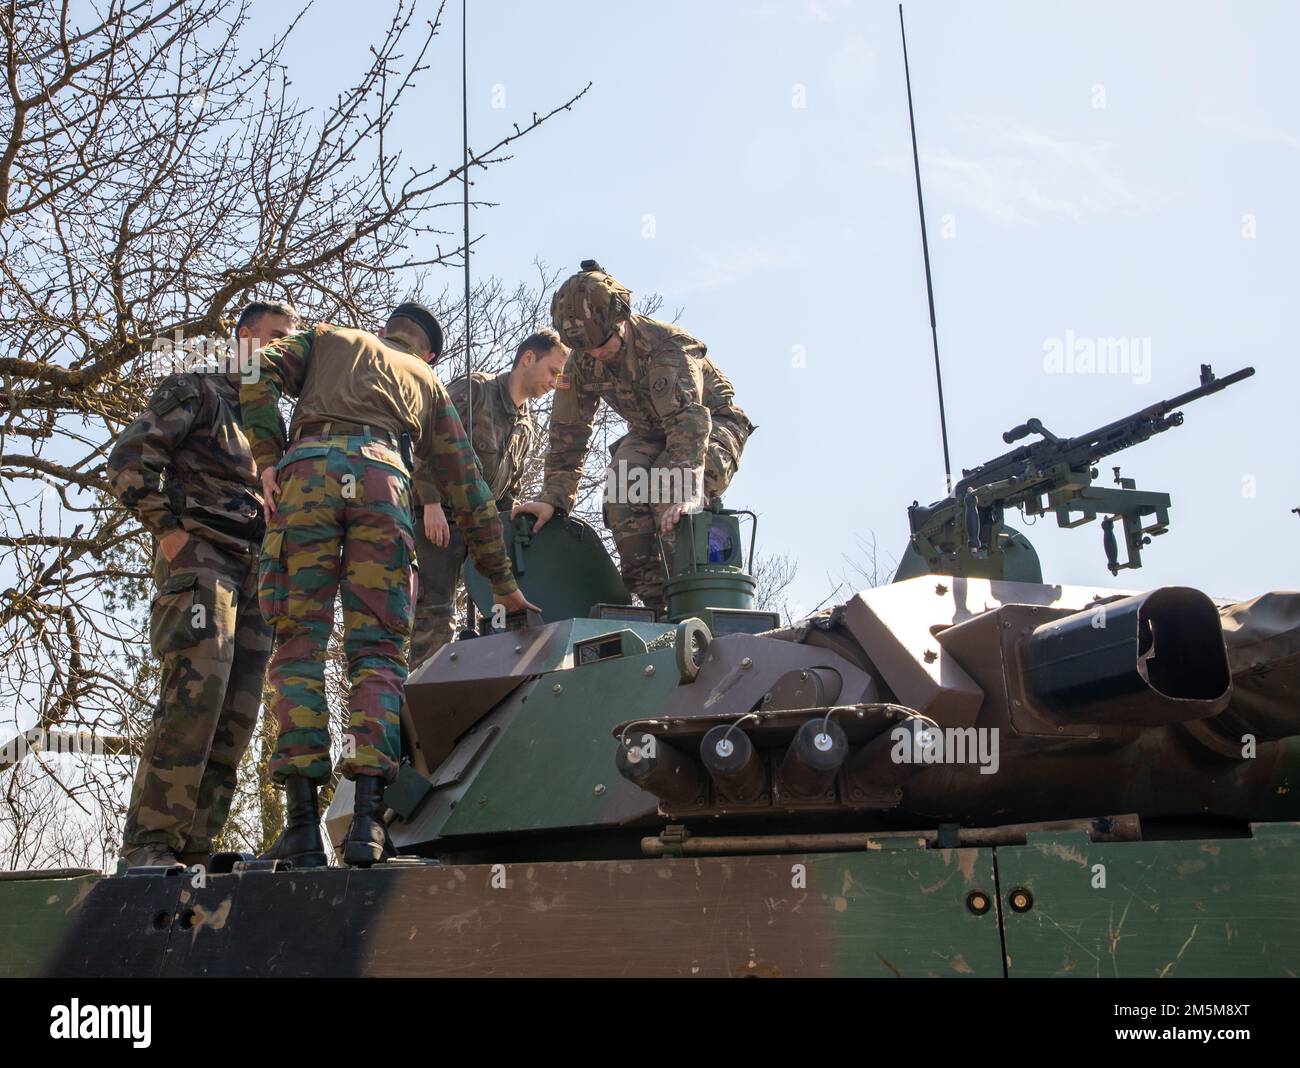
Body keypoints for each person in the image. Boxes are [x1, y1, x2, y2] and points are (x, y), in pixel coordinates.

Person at [241, 302, 538, 867]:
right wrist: (502, 583)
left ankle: (302, 828)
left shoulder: (328, 337)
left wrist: (266, 457)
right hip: (382, 483)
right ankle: (368, 827)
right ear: (427, 353)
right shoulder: (426, 381)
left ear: (383, 333)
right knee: (377, 655)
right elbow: (470, 488)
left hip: (307, 474)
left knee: (298, 646)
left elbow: (252, 367)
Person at [108, 299, 299, 868]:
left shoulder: (271, 422)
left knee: (235, 719)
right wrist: (169, 535)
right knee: (195, 700)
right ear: (243, 336)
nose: (284, 349)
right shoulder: (198, 388)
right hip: (202, 561)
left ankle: (194, 849)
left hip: (257, 574)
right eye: (276, 336)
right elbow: (127, 461)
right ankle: (150, 845)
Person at [513, 262, 755, 615]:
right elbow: (569, 432)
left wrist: (688, 488)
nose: (595, 355)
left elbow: (688, 421)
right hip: (649, 432)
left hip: (711, 427)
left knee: (668, 491)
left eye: (601, 345)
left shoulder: (667, 350)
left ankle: (693, 608)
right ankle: (658, 608)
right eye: (585, 350)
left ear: (620, 321)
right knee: (622, 492)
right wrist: (553, 498)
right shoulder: (579, 362)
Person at [410, 327, 570, 666]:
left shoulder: (526, 425)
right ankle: (418, 694)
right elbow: (426, 435)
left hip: (480, 531)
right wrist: (430, 502)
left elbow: (507, 492)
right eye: (553, 371)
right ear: (528, 358)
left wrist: (505, 539)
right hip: (439, 519)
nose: (555, 382)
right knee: (434, 612)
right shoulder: (475, 390)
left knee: (500, 617)